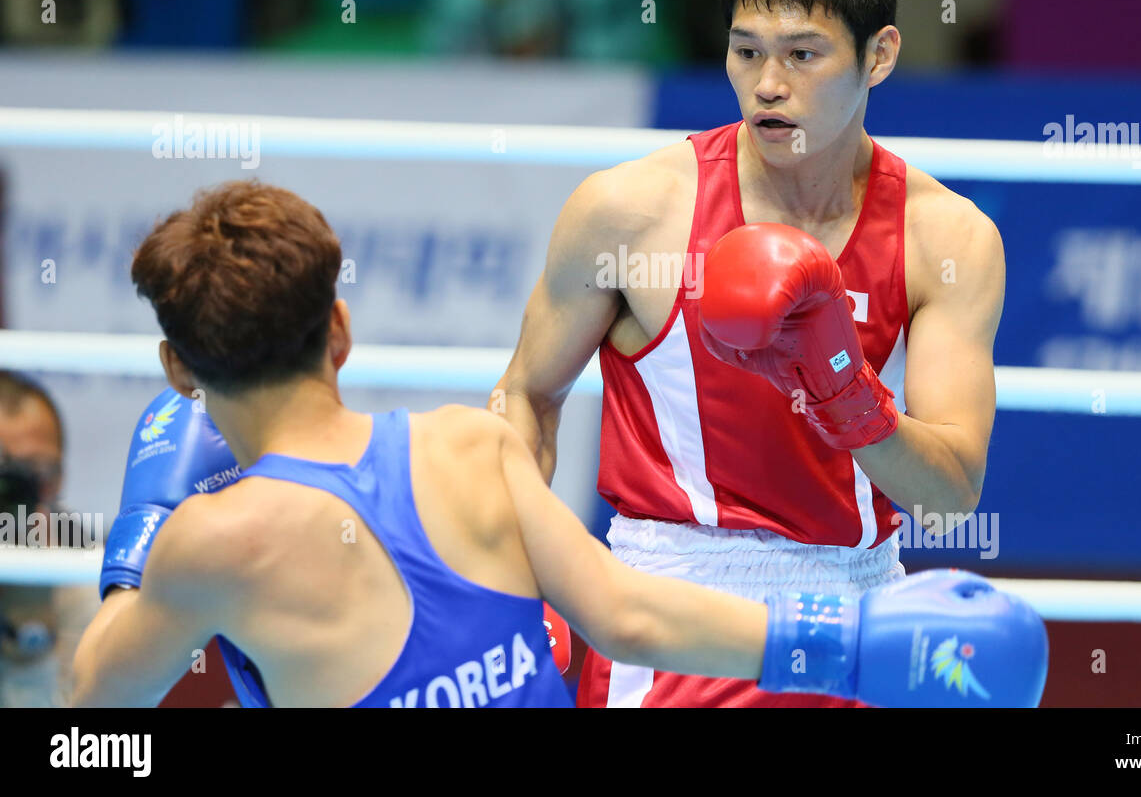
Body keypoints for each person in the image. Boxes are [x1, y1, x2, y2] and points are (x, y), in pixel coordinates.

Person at [70, 180, 1044, 707]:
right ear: (340, 331)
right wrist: (855, 645)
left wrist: (142, 532)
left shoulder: (210, 542)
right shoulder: (470, 447)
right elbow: (630, 617)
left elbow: (93, 710)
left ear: (177, 368)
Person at [493, 0, 1007, 707]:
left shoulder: (947, 238)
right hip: (668, 610)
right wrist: (511, 580)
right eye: (747, 52)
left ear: (880, 56)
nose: (769, 85)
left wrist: (845, 393)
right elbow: (525, 395)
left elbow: (949, 493)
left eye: (804, 54)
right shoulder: (631, 210)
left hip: (857, 608)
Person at [0, 371, 99, 707]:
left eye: (39, 471)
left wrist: (32, 634)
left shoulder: (92, 578)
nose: (19, 492)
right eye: (4, 473)